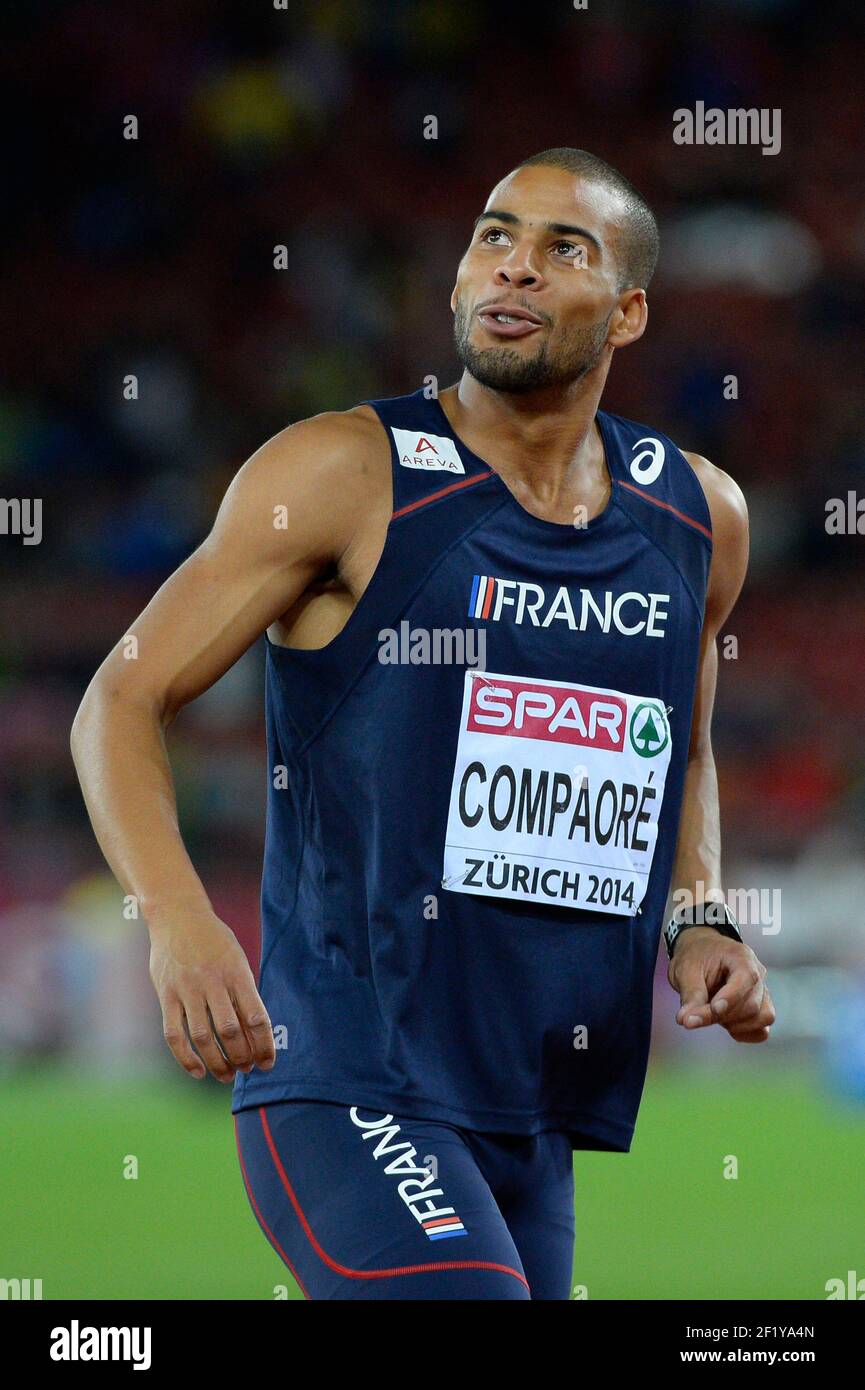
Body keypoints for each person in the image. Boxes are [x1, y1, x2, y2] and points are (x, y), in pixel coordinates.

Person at [71, 147, 775, 1301]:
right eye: (493, 237)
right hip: (350, 1071)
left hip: (532, 1111)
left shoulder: (697, 513)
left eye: (563, 249)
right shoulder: (346, 473)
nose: (514, 269)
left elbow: (678, 746)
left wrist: (697, 916)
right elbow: (121, 697)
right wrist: (179, 919)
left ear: (630, 312)